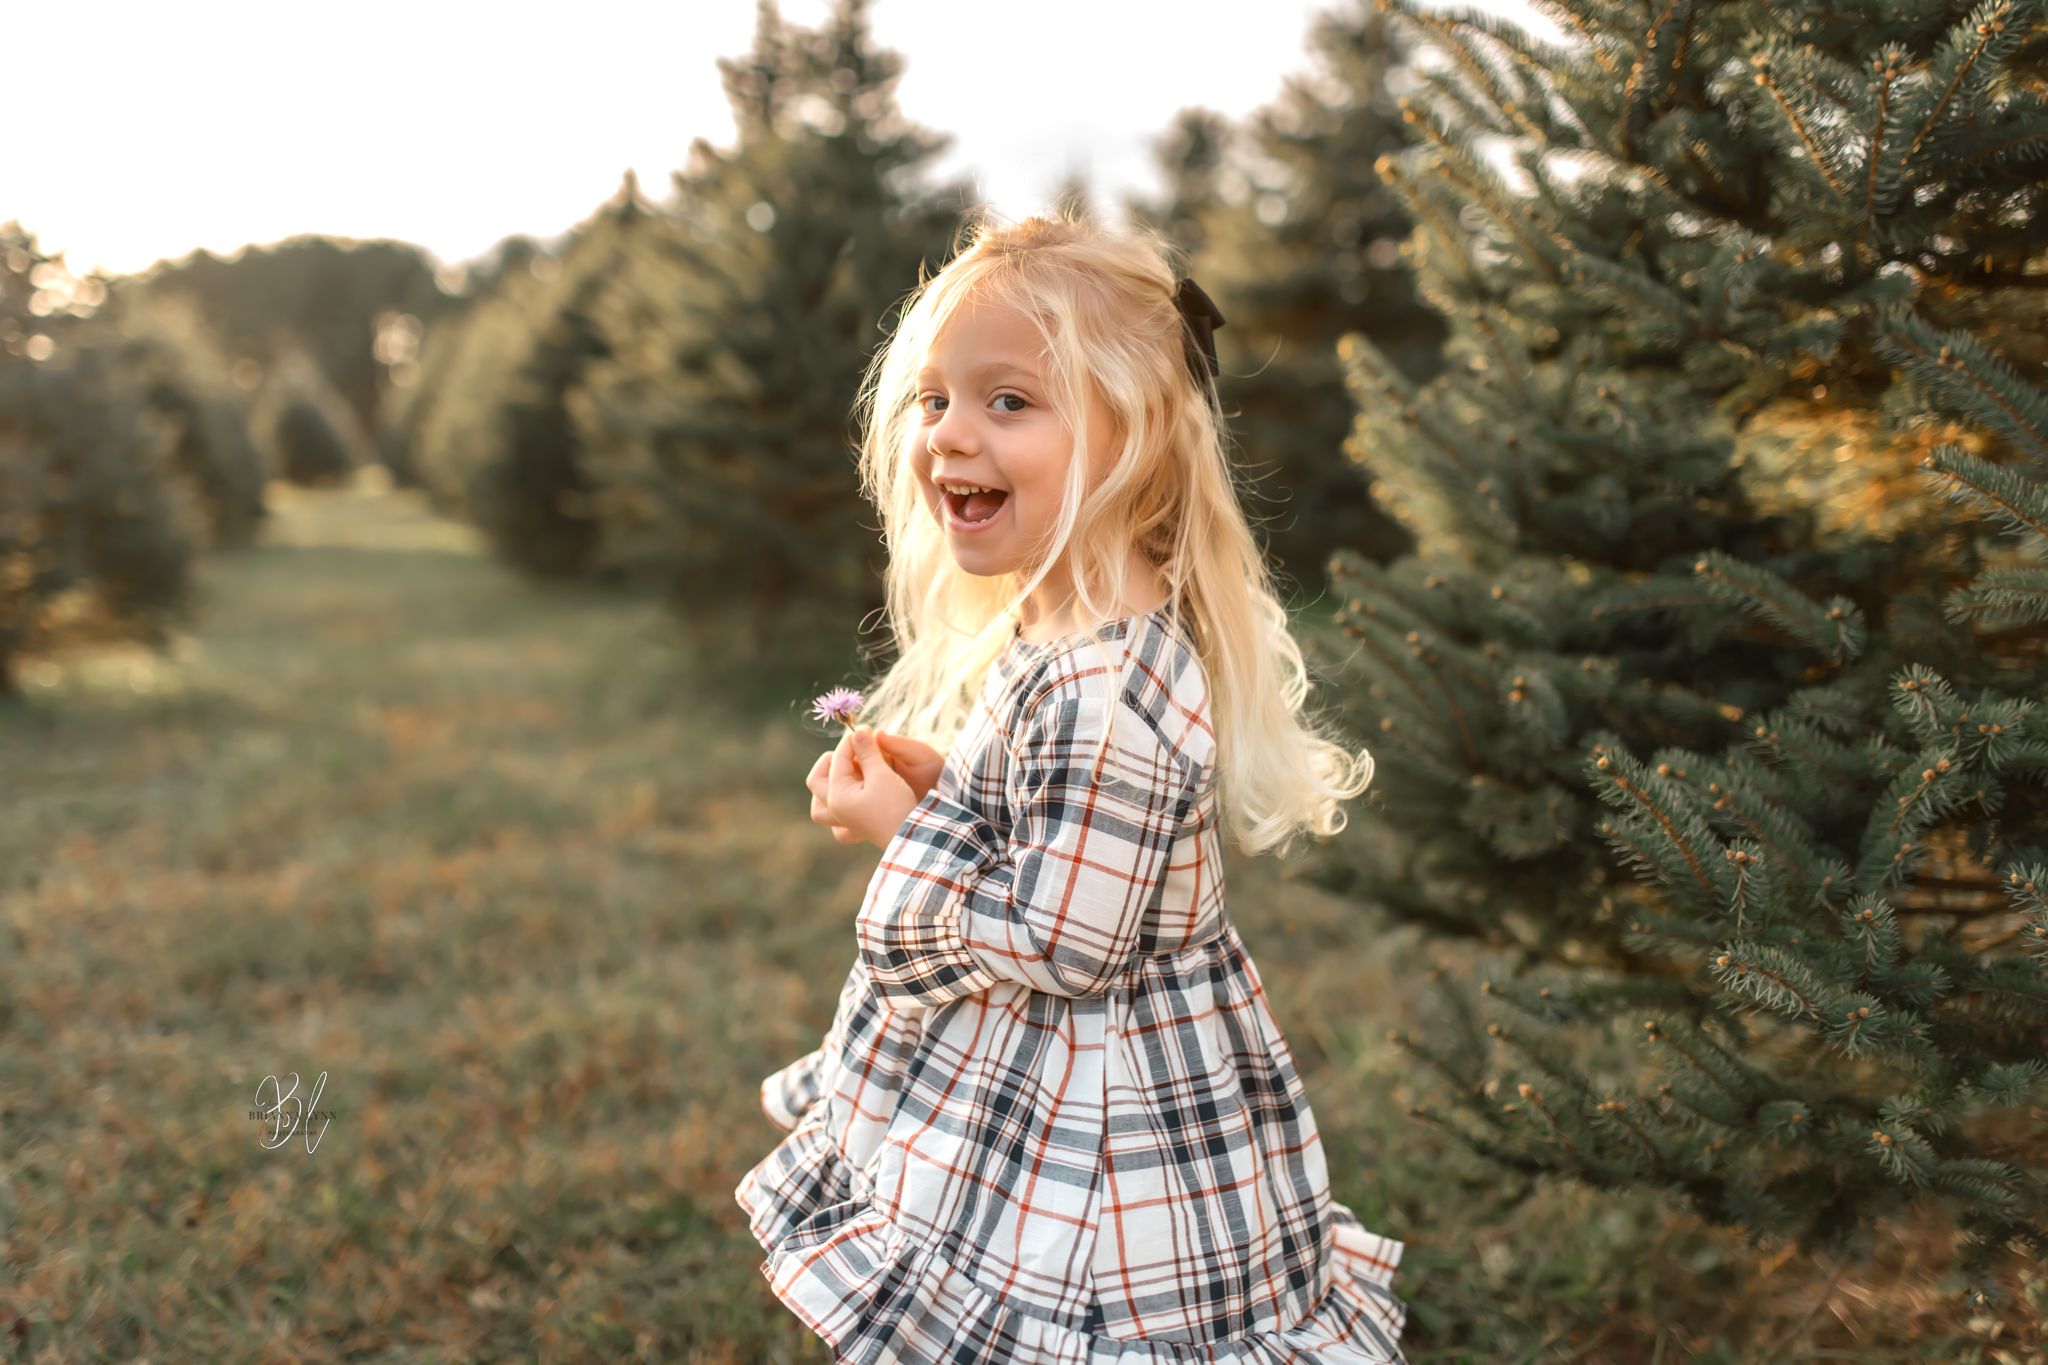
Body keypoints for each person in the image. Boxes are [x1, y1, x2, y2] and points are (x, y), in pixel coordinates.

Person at [733, 207, 1409, 1362]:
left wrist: (915, 829)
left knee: (1077, 1329)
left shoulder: (1104, 684)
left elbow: (1064, 942)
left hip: (1103, 1128)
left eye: (1008, 401)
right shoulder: (1069, 639)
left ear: (1131, 437)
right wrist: (957, 786)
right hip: (1054, 1079)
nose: (949, 433)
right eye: (935, 397)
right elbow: (1062, 836)